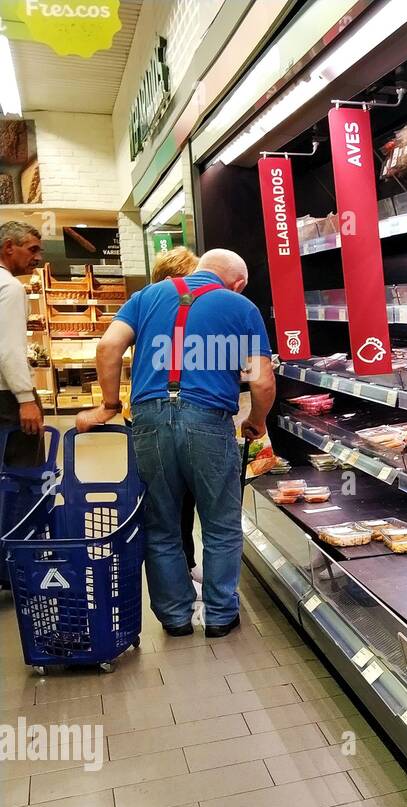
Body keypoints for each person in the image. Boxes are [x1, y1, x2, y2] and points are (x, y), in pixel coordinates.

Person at [76, 249, 276, 638]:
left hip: (148, 420)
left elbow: (107, 348)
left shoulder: (145, 297)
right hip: (208, 421)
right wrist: (257, 421)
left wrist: (109, 405)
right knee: (219, 523)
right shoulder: (239, 306)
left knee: (161, 524)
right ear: (236, 282)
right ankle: (219, 615)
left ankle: (175, 617)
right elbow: (262, 381)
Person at [148, 245, 202, 584]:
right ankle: (182, 568)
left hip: (150, 413)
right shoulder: (176, 310)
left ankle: (183, 566)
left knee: (171, 503)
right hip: (178, 413)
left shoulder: (145, 306)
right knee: (179, 501)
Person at [0, 221, 44, 467]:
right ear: (8, 247)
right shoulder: (10, 287)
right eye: (32, 250)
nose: (37, 258)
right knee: (23, 476)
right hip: (8, 399)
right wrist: (26, 399)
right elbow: (9, 348)